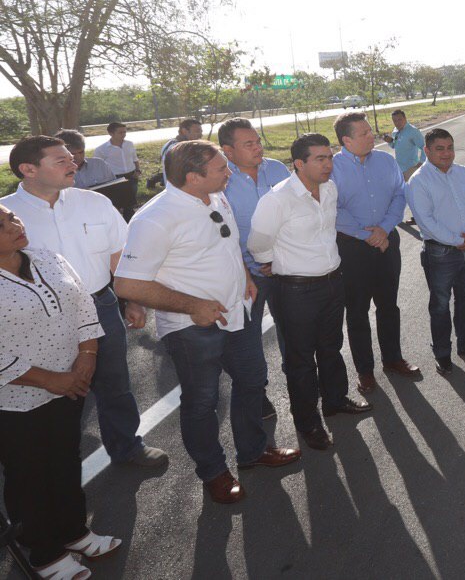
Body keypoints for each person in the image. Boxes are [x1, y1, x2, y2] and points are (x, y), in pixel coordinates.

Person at [114, 141, 300, 505]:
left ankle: (252, 451)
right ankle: (214, 473)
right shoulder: (155, 218)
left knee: (251, 382)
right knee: (202, 402)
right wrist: (193, 305)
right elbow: (128, 283)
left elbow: (227, 244)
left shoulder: (215, 196)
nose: (229, 173)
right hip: (192, 328)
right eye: (220, 169)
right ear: (192, 177)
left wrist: (244, 274)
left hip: (236, 314)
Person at [2, 137, 167, 470]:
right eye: (61, 161)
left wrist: (130, 299)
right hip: (36, 319)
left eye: (71, 159)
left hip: (101, 305)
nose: (73, 165)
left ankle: (126, 447)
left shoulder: (94, 203)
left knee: (115, 383)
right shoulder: (7, 215)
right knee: (49, 394)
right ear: (28, 169)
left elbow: (117, 253)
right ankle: (56, 468)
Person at [0, 203, 122, 580]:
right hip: (16, 400)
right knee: (28, 474)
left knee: (66, 461)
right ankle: (43, 551)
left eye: (11, 216)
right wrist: (49, 379)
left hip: (71, 384)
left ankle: (74, 532)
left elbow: (84, 305)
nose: (14, 224)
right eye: (2, 224)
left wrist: (86, 357)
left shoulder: (46, 257)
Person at [248, 134, 369, 452]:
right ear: (298, 164)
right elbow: (258, 243)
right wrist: (270, 263)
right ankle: (307, 421)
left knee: (331, 347)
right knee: (301, 359)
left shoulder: (329, 189)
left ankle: (335, 400)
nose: (328, 164)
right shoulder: (277, 199)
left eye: (329, 157)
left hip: (332, 282)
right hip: (296, 290)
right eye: (320, 159)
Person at [331, 112, 419, 394]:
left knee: (388, 306)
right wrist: (368, 235)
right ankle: (365, 371)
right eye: (364, 133)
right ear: (346, 140)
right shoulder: (331, 169)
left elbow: (399, 194)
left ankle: (393, 359)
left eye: (370, 131)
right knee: (357, 311)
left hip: (386, 242)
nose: (372, 136)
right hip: (352, 247)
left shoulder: (385, 161)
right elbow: (333, 209)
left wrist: (383, 229)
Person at [219, 117, 290, 420]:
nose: (258, 147)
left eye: (258, 141)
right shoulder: (220, 181)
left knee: (294, 331)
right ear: (228, 150)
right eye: (249, 144)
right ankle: (256, 393)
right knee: (247, 341)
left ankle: (299, 381)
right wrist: (249, 271)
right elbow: (222, 235)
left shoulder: (278, 169)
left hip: (288, 269)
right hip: (248, 277)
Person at [407, 128, 465, 375]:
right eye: (439, 149)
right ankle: (442, 353)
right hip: (440, 254)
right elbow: (426, 222)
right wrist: (458, 240)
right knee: (440, 305)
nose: (447, 154)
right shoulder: (419, 181)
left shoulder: (463, 173)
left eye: (450, 148)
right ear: (427, 151)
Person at [93, 123, 139, 219]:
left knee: (130, 205)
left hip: (131, 177)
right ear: (111, 133)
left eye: (125, 132)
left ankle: (130, 225)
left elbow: (135, 159)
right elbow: (97, 166)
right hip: (115, 179)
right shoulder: (101, 149)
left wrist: (137, 171)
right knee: (115, 206)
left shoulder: (129, 144)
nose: (123, 134)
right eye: (120, 132)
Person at [149, 118, 204, 189]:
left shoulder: (169, 143)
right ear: (184, 131)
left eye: (201, 132)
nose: (200, 135)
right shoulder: (181, 148)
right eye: (197, 131)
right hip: (181, 191)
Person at [383, 109, 425, 182]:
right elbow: (395, 146)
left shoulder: (413, 131)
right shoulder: (395, 130)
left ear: (405, 118)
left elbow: (424, 147)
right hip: (399, 169)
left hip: (411, 168)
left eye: (399, 119)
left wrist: (421, 163)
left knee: (412, 191)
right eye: (395, 121)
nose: (397, 123)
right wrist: (390, 141)